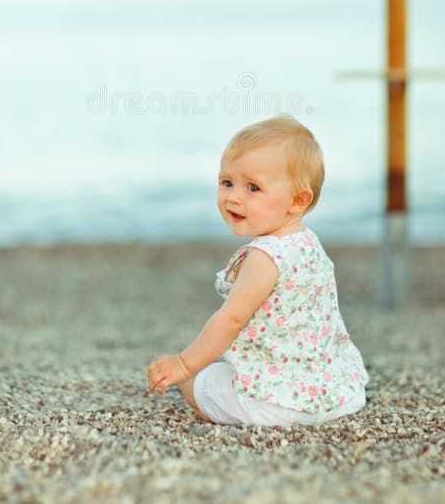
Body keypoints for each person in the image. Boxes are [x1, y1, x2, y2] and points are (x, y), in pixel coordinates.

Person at [147, 114, 369, 427]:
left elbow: (231, 320)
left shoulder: (264, 257)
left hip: (277, 404)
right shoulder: (307, 243)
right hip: (337, 394)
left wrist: (184, 365)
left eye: (253, 187)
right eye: (227, 182)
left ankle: (224, 405)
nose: (234, 197)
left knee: (197, 381)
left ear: (297, 200)